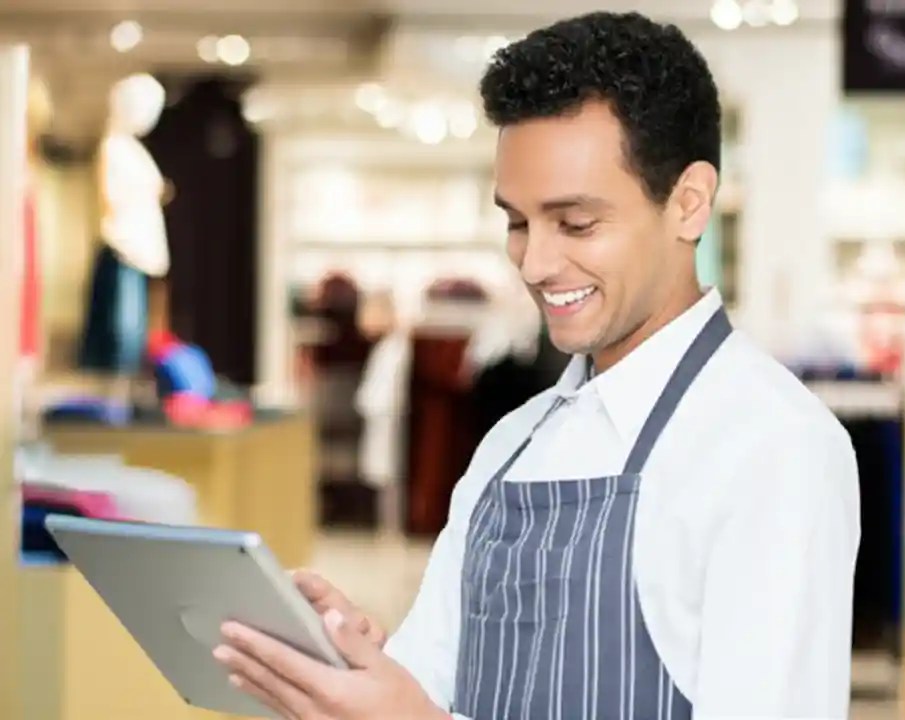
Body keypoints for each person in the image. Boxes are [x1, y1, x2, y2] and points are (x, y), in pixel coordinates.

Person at [214, 11, 861, 719]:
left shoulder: (774, 448)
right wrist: (361, 670)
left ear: (689, 203)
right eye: (518, 222)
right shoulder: (513, 444)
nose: (535, 262)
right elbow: (434, 683)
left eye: (576, 224)